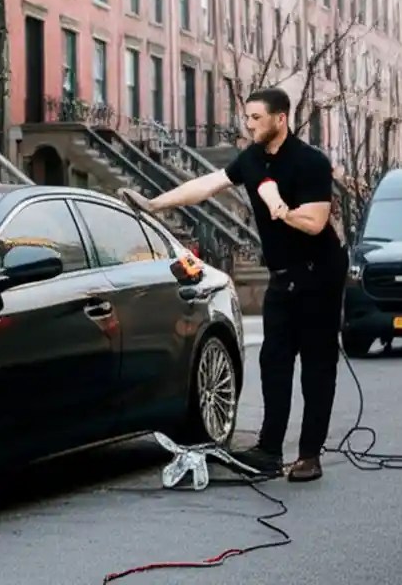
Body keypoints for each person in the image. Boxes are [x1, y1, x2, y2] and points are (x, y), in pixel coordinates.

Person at [119, 87, 347, 483]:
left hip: (319, 274)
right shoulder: (252, 160)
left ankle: (310, 455)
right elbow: (206, 185)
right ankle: (270, 451)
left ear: (280, 119)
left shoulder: (310, 162)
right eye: (247, 118)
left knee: (316, 367)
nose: (249, 125)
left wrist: (280, 208)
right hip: (282, 278)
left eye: (256, 119)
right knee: (273, 363)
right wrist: (155, 204)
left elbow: (315, 223)